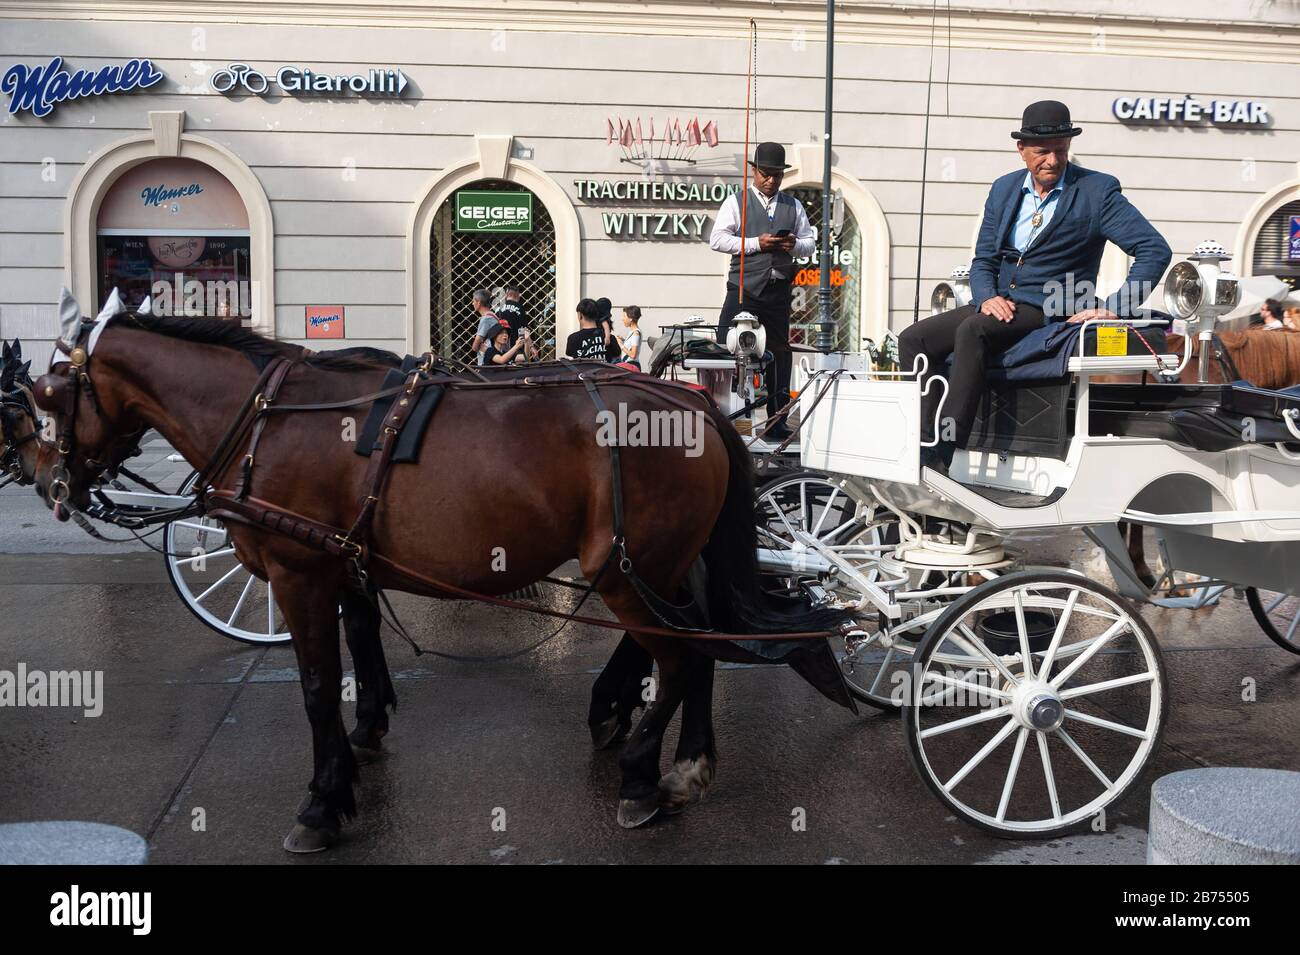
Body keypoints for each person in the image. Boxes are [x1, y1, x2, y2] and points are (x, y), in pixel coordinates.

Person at [898, 100, 1171, 471]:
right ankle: (919, 434)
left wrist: (1115, 307)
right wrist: (986, 296)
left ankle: (945, 448)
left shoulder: (1097, 191)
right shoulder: (1004, 189)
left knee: (973, 331)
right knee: (914, 339)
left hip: (1052, 306)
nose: (1053, 161)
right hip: (1002, 300)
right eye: (1043, 152)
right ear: (1022, 150)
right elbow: (984, 261)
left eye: (1061, 151)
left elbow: (1154, 249)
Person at [709, 141, 815, 441]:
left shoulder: (793, 205)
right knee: (726, 346)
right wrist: (757, 243)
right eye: (766, 174)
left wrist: (793, 244)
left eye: (777, 175)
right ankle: (724, 414)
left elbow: (810, 243)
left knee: (780, 354)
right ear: (754, 171)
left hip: (778, 289)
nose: (771, 180)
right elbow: (717, 240)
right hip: (743, 288)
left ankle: (776, 419)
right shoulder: (736, 202)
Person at [469, 289, 513, 365]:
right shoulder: (493, 316)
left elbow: (477, 341)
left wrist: (475, 348)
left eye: (473, 301)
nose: (472, 303)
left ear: (479, 302)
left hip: (487, 359)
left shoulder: (486, 318)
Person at [495, 283, 538, 358]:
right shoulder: (519, 308)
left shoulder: (498, 308)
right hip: (516, 346)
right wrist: (531, 347)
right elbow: (524, 330)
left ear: (506, 295)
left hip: (499, 346)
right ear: (517, 295)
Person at [615, 305, 643, 369]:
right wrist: (623, 340)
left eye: (624, 316)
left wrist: (621, 345)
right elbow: (632, 346)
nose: (622, 319)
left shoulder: (636, 333)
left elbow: (633, 355)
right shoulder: (633, 332)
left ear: (630, 318)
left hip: (631, 367)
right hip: (629, 366)